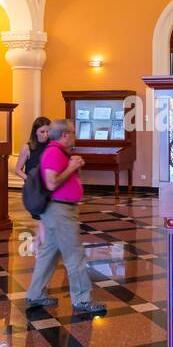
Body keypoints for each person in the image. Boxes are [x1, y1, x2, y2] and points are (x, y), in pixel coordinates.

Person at [25, 119, 106, 315]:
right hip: (60, 211)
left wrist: (72, 164)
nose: (74, 136)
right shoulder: (53, 152)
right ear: (65, 135)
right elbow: (52, 183)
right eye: (73, 133)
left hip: (57, 211)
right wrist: (72, 167)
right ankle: (82, 299)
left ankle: (35, 294)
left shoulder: (58, 152)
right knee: (74, 255)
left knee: (48, 254)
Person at [16, 115, 51, 255]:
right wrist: (30, 180)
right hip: (35, 191)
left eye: (48, 131)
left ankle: (37, 245)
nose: (45, 135)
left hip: (48, 189)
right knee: (43, 219)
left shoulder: (52, 146)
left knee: (44, 221)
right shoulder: (28, 147)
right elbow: (18, 169)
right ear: (35, 131)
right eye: (42, 131)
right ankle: (41, 250)